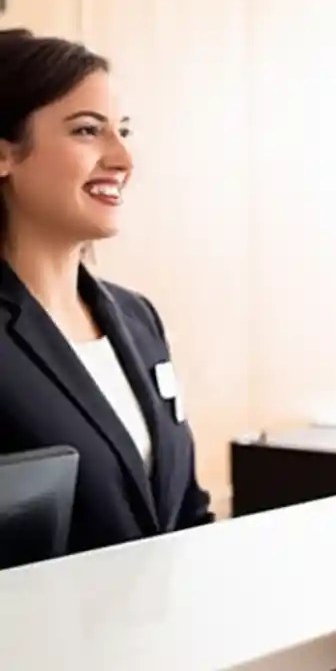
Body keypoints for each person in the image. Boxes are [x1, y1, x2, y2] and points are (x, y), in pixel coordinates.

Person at [0, 28, 214, 556]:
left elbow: (185, 508)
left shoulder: (138, 319)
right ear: (5, 155)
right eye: (88, 131)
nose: (122, 158)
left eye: (123, 130)